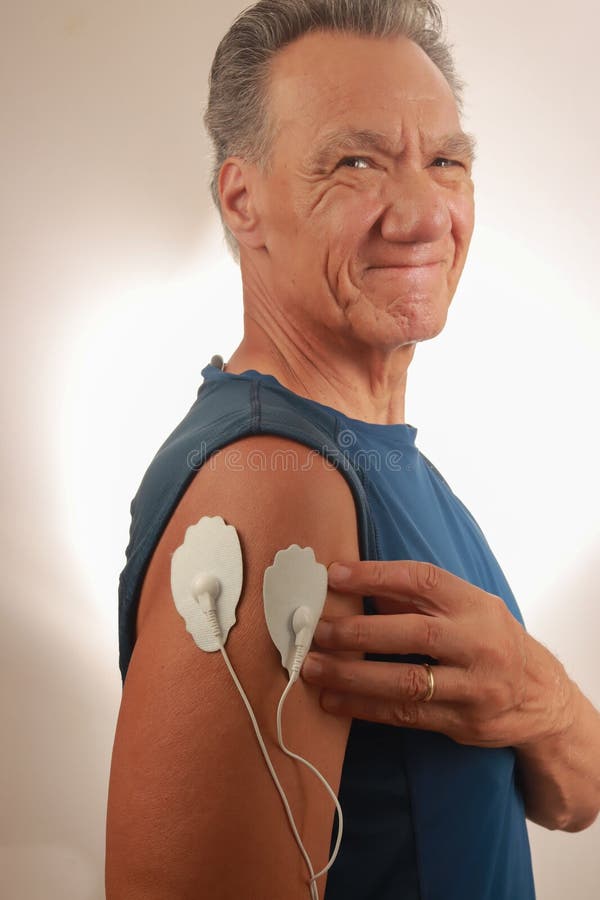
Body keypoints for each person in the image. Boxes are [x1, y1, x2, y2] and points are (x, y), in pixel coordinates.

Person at [105, 1, 600, 898]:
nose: (424, 214)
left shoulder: (384, 462)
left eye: (445, 162)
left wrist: (544, 696)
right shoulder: (274, 484)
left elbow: (576, 796)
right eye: (356, 163)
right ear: (243, 200)